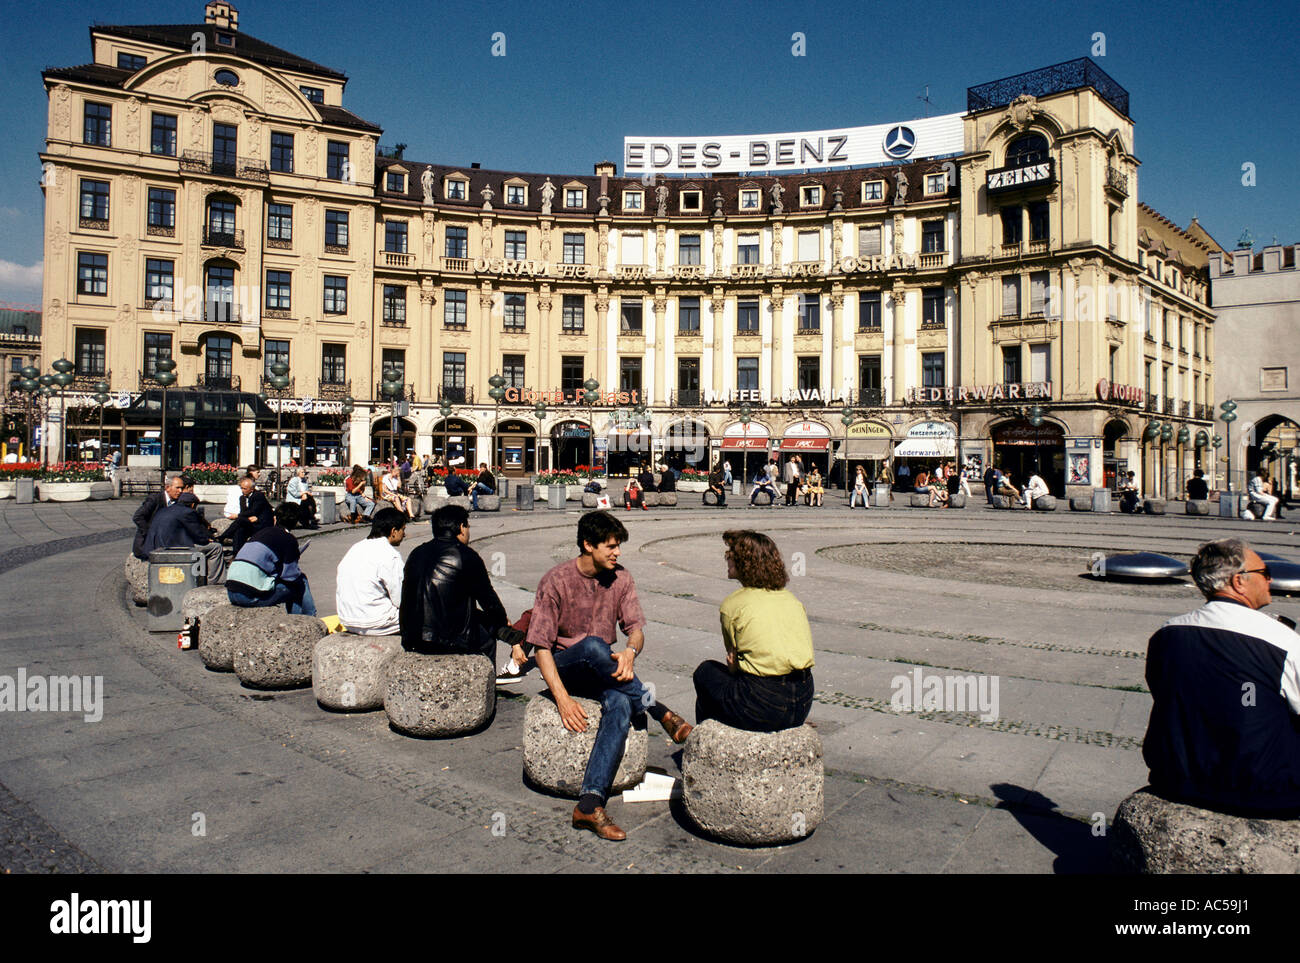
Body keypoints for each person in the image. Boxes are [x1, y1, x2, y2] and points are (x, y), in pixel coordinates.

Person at [528, 511, 693, 840]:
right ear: (588, 545)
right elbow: (541, 647)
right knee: (592, 646)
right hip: (566, 665)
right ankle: (659, 710)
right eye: (611, 547)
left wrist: (630, 652)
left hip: (606, 671)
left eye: (618, 547)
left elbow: (636, 630)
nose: (617, 553)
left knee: (619, 703)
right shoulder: (555, 580)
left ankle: (589, 804)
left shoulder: (622, 579)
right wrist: (561, 699)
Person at [1143, 538, 1300, 816]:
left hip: (1175, 779)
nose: (1270, 580)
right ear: (1239, 581)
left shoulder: (1166, 634)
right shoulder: (1283, 641)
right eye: (1264, 573)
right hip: (1265, 791)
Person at [693, 531, 814, 732]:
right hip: (803, 698)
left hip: (761, 702)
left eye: (731, 553)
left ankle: (709, 742)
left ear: (744, 562)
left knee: (706, 673)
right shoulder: (792, 600)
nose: (727, 557)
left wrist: (737, 668)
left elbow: (734, 664)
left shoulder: (733, 605)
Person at [399, 504, 522, 659]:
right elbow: (488, 599)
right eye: (468, 526)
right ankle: (486, 680)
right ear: (462, 527)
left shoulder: (416, 553)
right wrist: (502, 620)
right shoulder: (465, 555)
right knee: (487, 637)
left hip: (411, 635)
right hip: (447, 640)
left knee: (482, 617)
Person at [226, 502, 316, 615]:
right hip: (249, 596)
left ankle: (301, 620)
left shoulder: (262, 533)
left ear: (275, 518)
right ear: (296, 522)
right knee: (300, 581)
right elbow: (290, 576)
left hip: (232, 591)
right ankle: (307, 618)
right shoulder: (288, 539)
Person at [335, 508, 406, 636]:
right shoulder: (390, 555)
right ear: (394, 531)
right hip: (377, 622)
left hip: (348, 619)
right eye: (403, 530)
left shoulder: (355, 548)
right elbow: (401, 598)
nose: (404, 534)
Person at [142, 490, 226, 584]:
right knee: (216, 548)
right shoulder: (187, 512)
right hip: (172, 548)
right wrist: (207, 540)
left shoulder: (165, 509)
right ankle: (215, 581)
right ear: (193, 505)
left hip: (154, 547)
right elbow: (198, 534)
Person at [131, 474, 182, 559]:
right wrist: (150, 533)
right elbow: (138, 517)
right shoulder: (155, 499)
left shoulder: (178, 502)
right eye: (177, 488)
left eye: (182, 488)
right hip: (147, 546)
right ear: (168, 488)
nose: (180, 491)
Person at [227, 475, 275, 554]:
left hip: (261, 523)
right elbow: (244, 512)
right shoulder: (242, 498)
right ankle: (237, 553)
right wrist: (245, 517)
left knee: (239, 521)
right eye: (241, 488)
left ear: (252, 489)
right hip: (250, 521)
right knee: (239, 530)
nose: (242, 490)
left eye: (245, 489)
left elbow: (254, 511)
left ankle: (224, 536)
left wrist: (237, 516)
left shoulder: (258, 495)